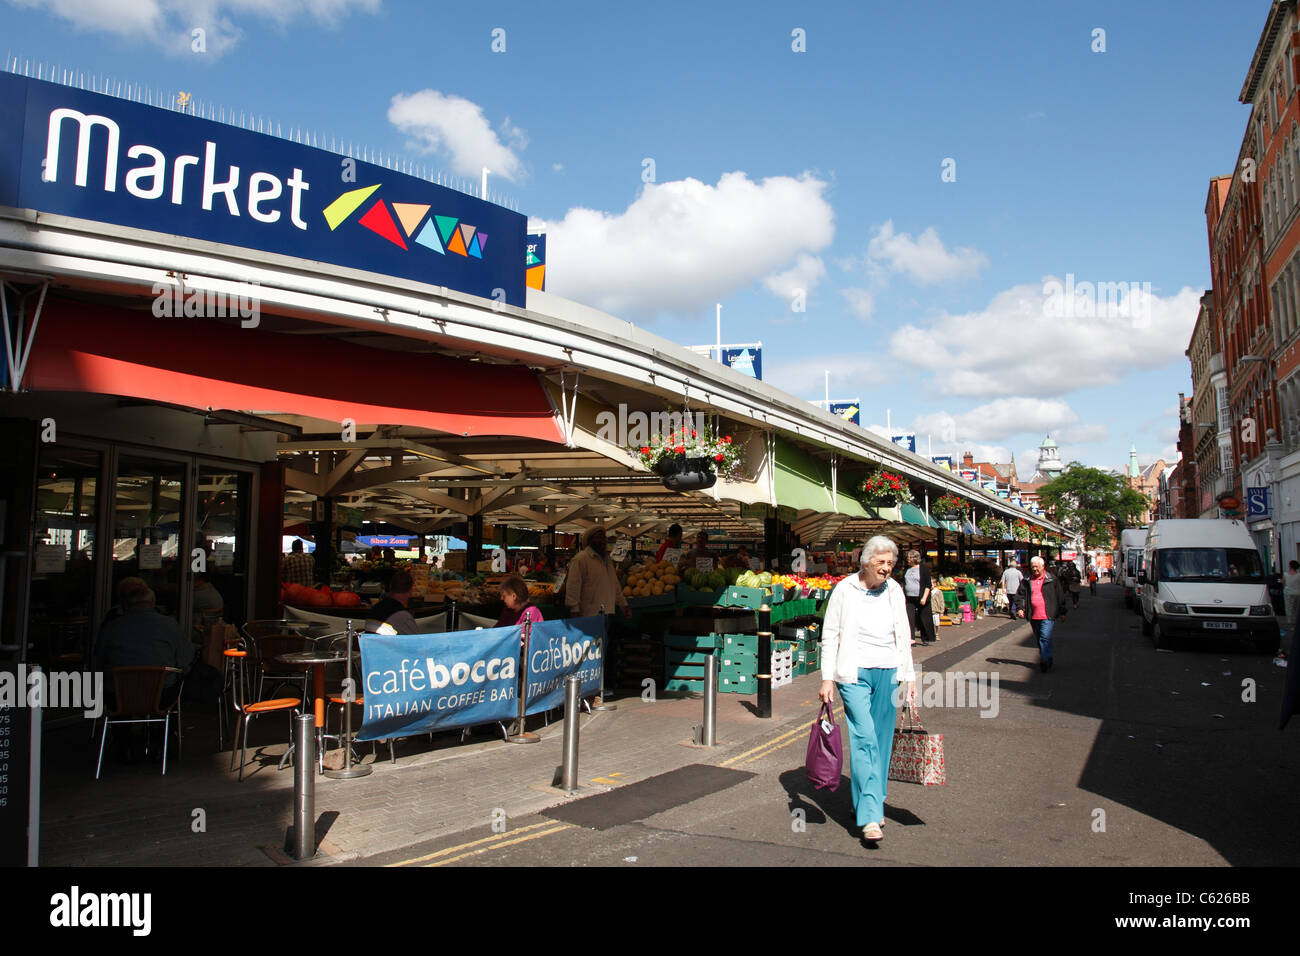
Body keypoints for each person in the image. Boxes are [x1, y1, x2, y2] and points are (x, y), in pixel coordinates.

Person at [819, 536, 917, 844]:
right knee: (864, 738)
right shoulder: (845, 590)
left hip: (888, 671)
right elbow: (830, 634)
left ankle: (869, 800)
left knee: (882, 741)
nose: (887, 569)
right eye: (881, 562)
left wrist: (910, 677)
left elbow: (904, 634)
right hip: (853, 674)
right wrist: (827, 677)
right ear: (866, 561)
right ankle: (870, 817)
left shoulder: (895, 591)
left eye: (891, 563)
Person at [94, 582, 195, 707]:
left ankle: (120, 725)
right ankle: (165, 725)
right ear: (153, 603)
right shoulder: (169, 625)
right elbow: (185, 657)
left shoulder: (112, 627)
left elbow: (99, 657)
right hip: (161, 694)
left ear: (126, 605)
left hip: (118, 695)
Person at [1016, 556, 1068, 672]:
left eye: (1036, 567)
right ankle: (1048, 657)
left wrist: (1062, 611)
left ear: (1042, 566)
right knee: (1040, 638)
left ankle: (1044, 660)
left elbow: (1060, 596)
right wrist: (1020, 608)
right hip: (1033, 615)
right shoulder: (1027, 579)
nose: (1034, 569)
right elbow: (1020, 594)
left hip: (1048, 614)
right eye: (1032, 567)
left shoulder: (1052, 579)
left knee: (1045, 637)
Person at [565, 528, 631, 619]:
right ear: (590, 540)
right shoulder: (581, 559)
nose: (602, 541)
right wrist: (574, 609)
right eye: (598, 538)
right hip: (589, 614)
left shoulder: (607, 560)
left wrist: (624, 605)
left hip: (608, 611)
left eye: (603, 538)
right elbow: (573, 586)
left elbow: (615, 585)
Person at [903, 550, 937, 646]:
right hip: (909, 597)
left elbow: (928, 584)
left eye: (909, 558)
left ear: (914, 558)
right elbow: (904, 581)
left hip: (921, 597)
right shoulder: (907, 568)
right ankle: (911, 638)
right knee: (910, 618)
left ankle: (925, 638)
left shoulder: (923, 569)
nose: (907, 560)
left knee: (923, 618)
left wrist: (924, 597)